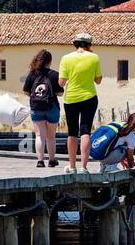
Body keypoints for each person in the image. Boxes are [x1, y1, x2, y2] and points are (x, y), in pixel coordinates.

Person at [57, 32, 102, 173]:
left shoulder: (66, 58)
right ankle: (84, 167)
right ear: (89, 45)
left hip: (71, 98)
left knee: (72, 132)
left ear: (75, 44)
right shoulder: (94, 57)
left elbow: (61, 82)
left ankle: (72, 166)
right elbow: (98, 80)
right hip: (89, 97)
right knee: (85, 131)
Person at [22, 49, 62, 168]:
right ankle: (51, 160)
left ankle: (40, 161)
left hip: (36, 108)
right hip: (52, 107)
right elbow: (60, 93)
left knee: (39, 136)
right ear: (49, 61)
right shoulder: (54, 74)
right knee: (51, 136)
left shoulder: (32, 73)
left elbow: (26, 91)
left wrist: (34, 97)